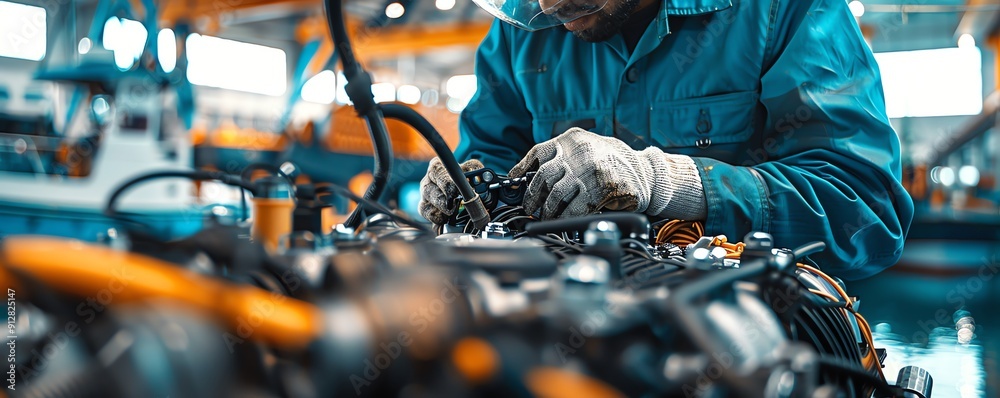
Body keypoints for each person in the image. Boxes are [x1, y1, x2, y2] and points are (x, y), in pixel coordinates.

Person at [418, 0, 914, 280]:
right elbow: (489, 155)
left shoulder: (784, 10)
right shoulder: (523, 33)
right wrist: (466, 189)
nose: (549, 6)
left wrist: (674, 183)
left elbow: (865, 211)